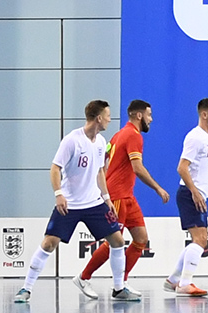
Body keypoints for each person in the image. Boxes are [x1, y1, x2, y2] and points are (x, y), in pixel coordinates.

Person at [15, 100, 141, 302]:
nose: (110, 119)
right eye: (107, 115)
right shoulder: (72, 140)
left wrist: (106, 198)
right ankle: (26, 289)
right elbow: (55, 168)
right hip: (70, 204)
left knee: (118, 241)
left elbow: (100, 171)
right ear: (99, 118)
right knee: (49, 244)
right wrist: (58, 194)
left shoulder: (101, 142)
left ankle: (119, 289)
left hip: (94, 203)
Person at [73, 100, 171, 292]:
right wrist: (158, 188)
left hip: (128, 196)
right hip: (118, 197)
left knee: (141, 239)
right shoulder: (134, 136)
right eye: (149, 115)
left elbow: (106, 163)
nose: (151, 119)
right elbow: (137, 167)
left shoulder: (118, 135)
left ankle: (122, 282)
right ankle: (83, 277)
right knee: (114, 242)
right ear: (139, 116)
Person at [161, 98, 208, 297]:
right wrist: (195, 192)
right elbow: (182, 167)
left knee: (201, 239)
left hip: (195, 194)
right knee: (200, 239)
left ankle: (173, 280)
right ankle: (184, 284)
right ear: (204, 114)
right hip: (190, 195)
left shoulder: (205, 138)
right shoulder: (196, 137)